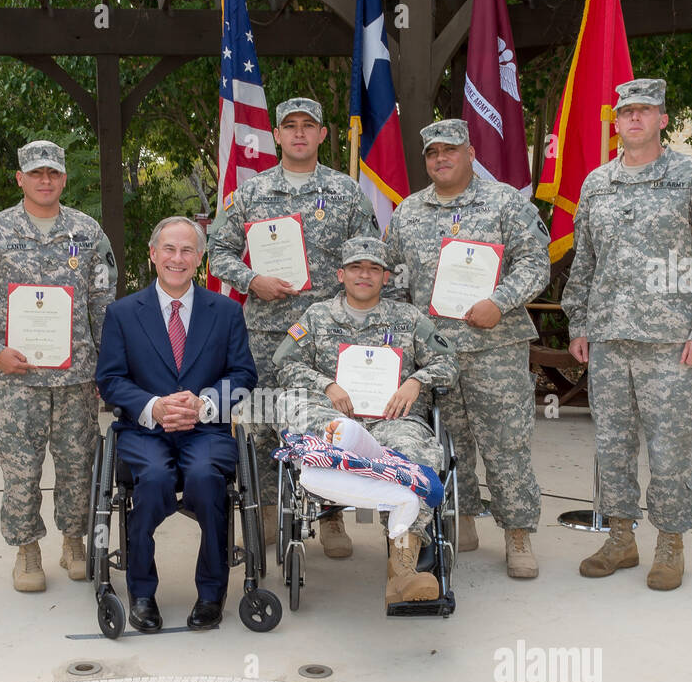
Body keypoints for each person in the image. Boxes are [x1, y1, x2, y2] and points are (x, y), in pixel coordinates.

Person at [564, 78, 692, 590]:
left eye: (645, 111)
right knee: (611, 445)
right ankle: (620, 537)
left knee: (670, 449)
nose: (634, 119)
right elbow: (585, 264)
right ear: (616, 123)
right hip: (610, 340)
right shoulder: (597, 184)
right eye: (625, 112)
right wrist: (579, 322)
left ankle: (670, 543)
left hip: (673, 345)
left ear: (663, 119)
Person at [207, 96, 379, 548]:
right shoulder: (250, 193)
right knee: (263, 422)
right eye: (290, 126)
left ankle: (330, 516)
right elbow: (217, 250)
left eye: (309, 125)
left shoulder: (346, 193)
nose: (299, 133)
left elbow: (369, 261)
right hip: (266, 331)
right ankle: (265, 509)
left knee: (330, 422)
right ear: (277, 135)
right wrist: (252, 279)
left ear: (323, 135)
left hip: (332, 337)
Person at [384, 118, 550, 579]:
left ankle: (518, 535)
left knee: (506, 444)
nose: (441, 159)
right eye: (433, 152)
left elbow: (537, 263)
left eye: (450, 150)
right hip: (435, 354)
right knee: (446, 443)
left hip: (494, 347)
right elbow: (393, 279)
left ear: (470, 153)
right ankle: (462, 519)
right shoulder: (409, 212)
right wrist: (403, 337)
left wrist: (500, 301)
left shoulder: (505, 203)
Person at [0, 140, 116, 592]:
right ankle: (26, 550)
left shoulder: (87, 233)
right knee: (20, 467)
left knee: (77, 463)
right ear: (20, 178)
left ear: (64, 179)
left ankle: (73, 541)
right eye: (36, 173)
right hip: (16, 378)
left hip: (76, 377)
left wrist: (109, 367)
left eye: (53, 174)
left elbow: (104, 303)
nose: (45, 181)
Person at [95, 217, 258, 633]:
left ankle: (210, 593)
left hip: (206, 431)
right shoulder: (123, 313)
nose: (177, 258)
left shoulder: (225, 312)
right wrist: (154, 405)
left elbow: (244, 375)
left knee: (206, 479)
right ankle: (143, 593)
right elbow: (110, 380)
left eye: (187, 250)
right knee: (152, 480)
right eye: (169, 249)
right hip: (144, 430)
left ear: (200, 259)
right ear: (153, 255)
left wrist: (204, 403)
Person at [274, 236, 457, 603]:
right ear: (341, 274)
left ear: (385, 277)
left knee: (416, 455)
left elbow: (448, 363)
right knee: (297, 405)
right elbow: (285, 363)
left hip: (393, 420)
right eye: (356, 267)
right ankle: (348, 443)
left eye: (374, 269)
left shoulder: (408, 319)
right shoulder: (318, 316)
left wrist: (415, 381)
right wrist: (325, 384)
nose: (364, 275)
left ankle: (403, 568)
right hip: (334, 417)